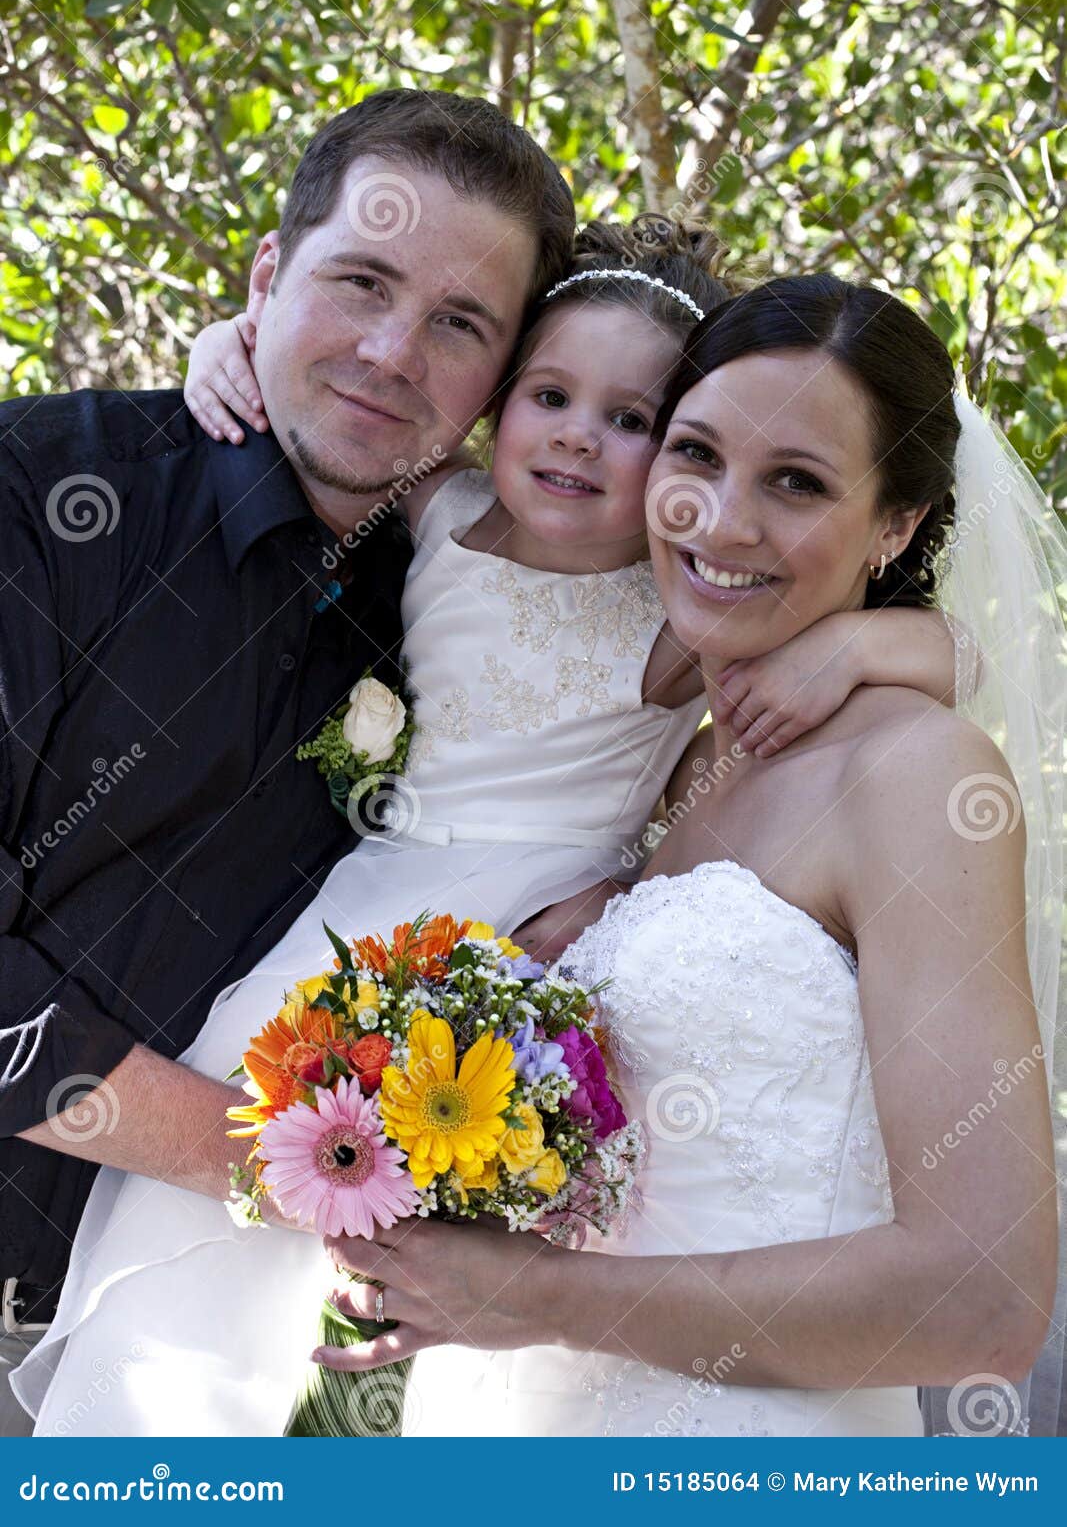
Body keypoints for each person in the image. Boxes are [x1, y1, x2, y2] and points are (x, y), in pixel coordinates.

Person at [14, 243, 963, 1437]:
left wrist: (866, 646)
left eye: (630, 420)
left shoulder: (673, 604)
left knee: (439, 1233)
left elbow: (949, 650)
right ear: (499, 406)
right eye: (549, 398)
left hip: (527, 940)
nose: (575, 437)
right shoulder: (445, 509)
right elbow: (328, 421)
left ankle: (355, 1430)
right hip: (357, 914)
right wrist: (231, 348)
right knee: (243, 1212)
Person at [308, 277, 1061, 1440]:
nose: (721, 519)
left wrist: (535, 1296)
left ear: (897, 524)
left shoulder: (916, 776)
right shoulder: (678, 766)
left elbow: (983, 1299)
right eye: (695, 454)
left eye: (796, 483)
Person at [0, 88, 575, 1435]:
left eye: (458, 325)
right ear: (267, 276)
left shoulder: (473, 604)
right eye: (358, 281)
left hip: (203, 1362)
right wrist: (297, 1164)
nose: (390, 350)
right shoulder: (40, 491)